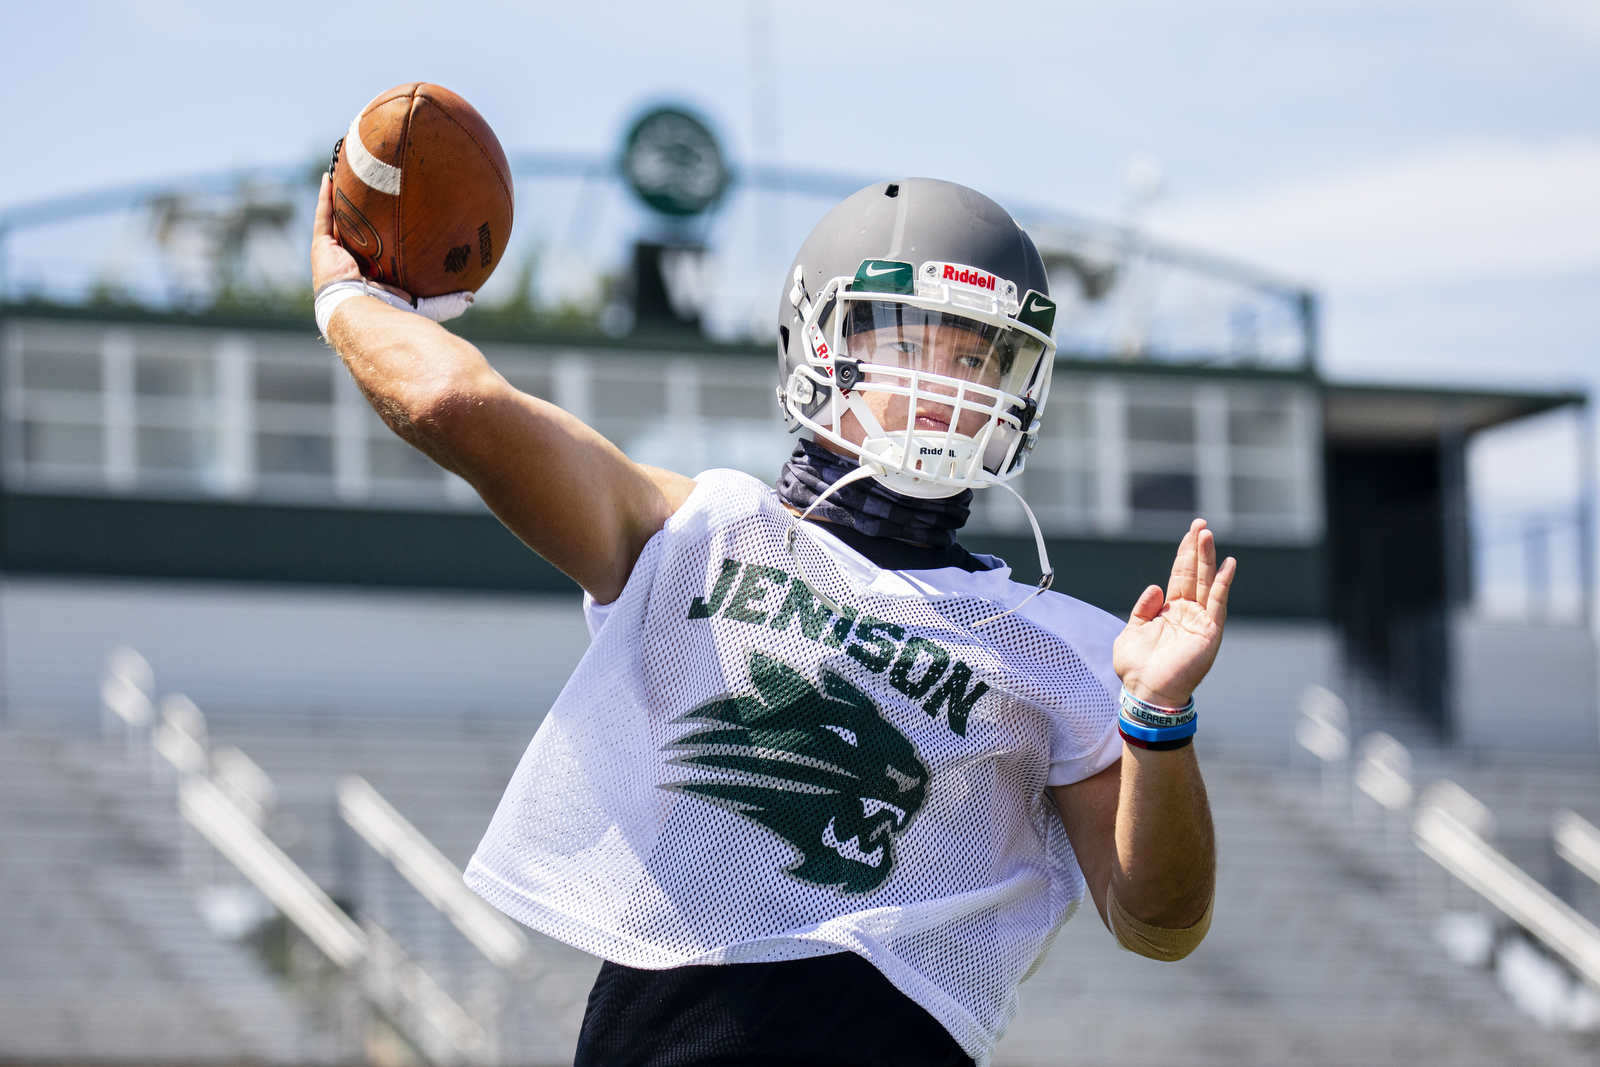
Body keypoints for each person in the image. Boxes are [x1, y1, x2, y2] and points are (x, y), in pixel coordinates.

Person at [311, 173, 1232, 1067]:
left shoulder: (1062, 642)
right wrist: (350, 298)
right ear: (820, 341)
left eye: (977, 354)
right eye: (914, 340)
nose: (946, 384)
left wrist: (1157, 718)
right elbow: (450, 403)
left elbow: (1159, 923)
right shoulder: (700, 529)